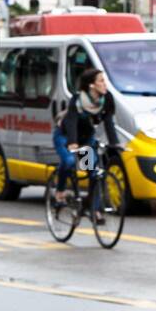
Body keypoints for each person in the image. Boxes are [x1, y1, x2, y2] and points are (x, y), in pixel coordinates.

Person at [53, 68, 119, 221]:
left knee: (93, 172)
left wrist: (115, 144)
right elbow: (71, 122)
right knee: (69, 161)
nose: (104, 84)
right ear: (91, 85)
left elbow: (109, 122)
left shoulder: (106, 99)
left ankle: (94, 210)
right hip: (65, 136)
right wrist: (73, 142)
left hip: (86, 139)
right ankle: (60, 192)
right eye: (101, 81)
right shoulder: (77, 100)